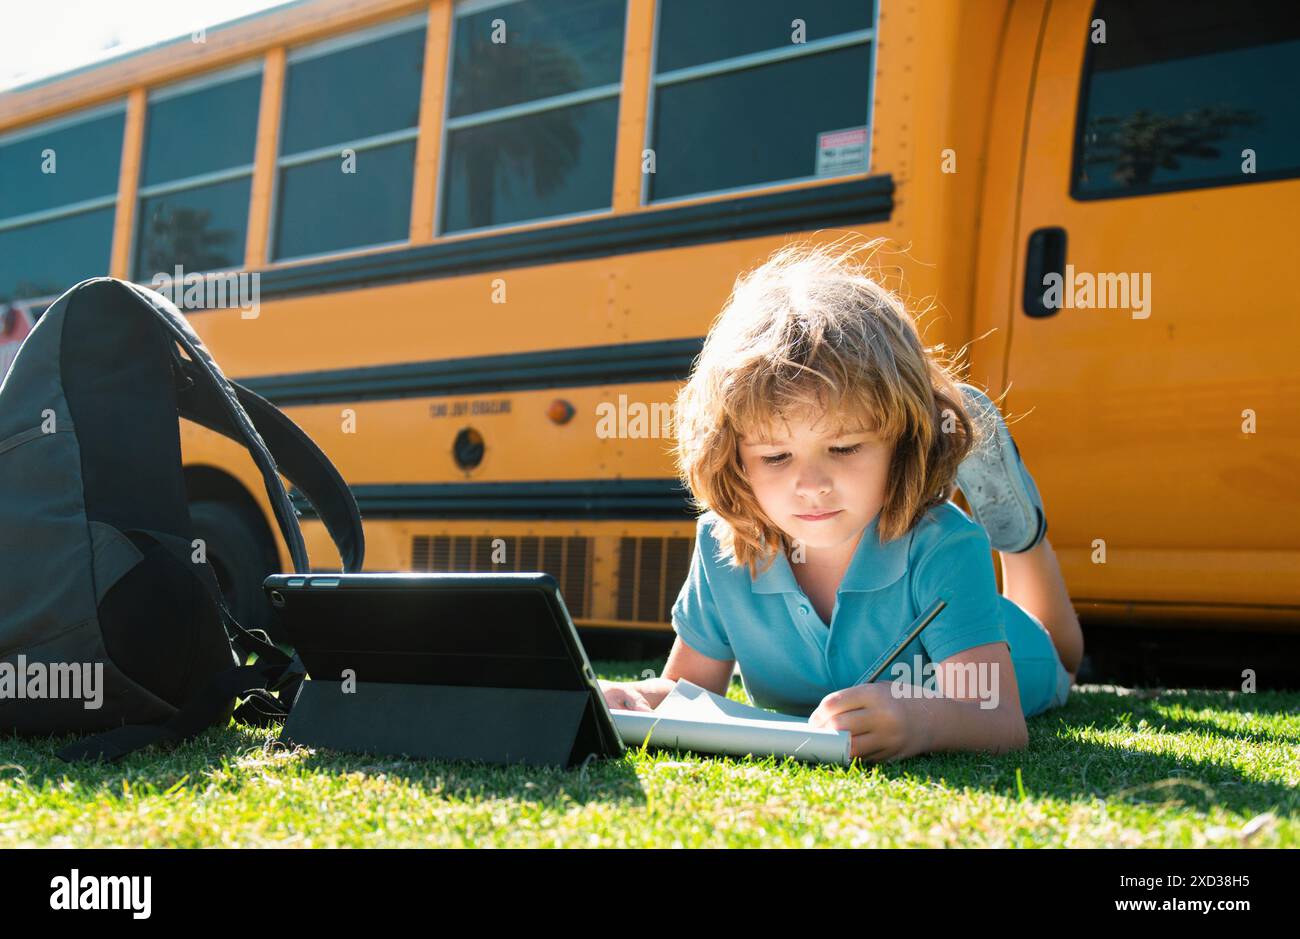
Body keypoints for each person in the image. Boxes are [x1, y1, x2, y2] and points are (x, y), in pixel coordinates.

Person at [599, 239, 1084, 761]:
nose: (811, 485)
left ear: (905, 440)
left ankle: (1018, 534)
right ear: (733, 457)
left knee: (1062, 654)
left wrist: (917, 718)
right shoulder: (724, 542)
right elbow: (688, 691)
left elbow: (999, 719)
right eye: (776, 457)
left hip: (1019, 648)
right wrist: (635, 698)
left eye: (844, 447)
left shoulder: (945, 544)